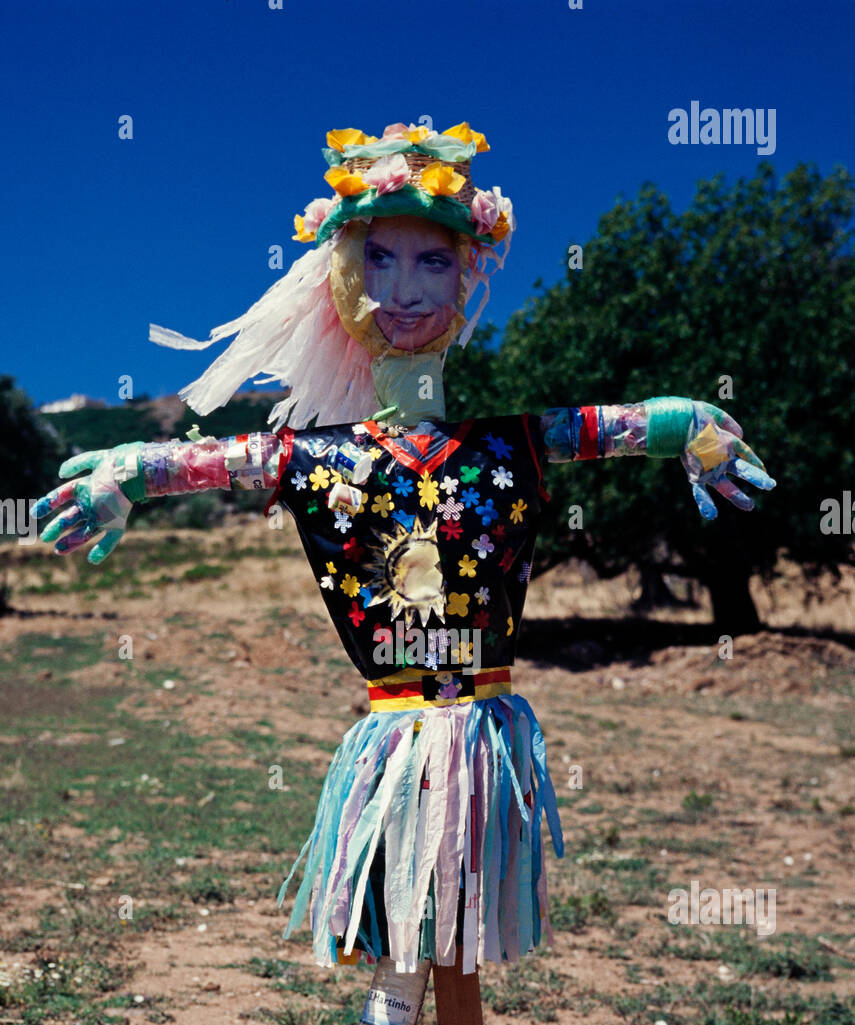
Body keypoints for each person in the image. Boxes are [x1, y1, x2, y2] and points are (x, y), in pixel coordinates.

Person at [33, 118, 775, 979]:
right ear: (343, 279)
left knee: (443, 938)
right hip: (391, 735)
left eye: (432, 262)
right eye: (379, 259)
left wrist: (690, 422)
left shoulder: (512, 447)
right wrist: (128, 471)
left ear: (465, 276)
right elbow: (215, 460)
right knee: (397, 934)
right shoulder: (320, 460)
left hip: (483, 730)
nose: (407, 290)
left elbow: (616, 427)